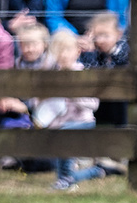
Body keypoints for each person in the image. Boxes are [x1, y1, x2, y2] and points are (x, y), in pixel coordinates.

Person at [35, 29, 122, 191]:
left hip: (82, 122)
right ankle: (86, 174)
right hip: (59, 124)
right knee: (60, 158)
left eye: (67, 50)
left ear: (77, 51)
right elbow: (41, 101)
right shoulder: (52, 75)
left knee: (64, 139)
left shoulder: (82, 74)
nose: (63, 55)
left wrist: (74, 95)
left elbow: (93, 104)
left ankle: (74, 178)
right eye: (58, 50)